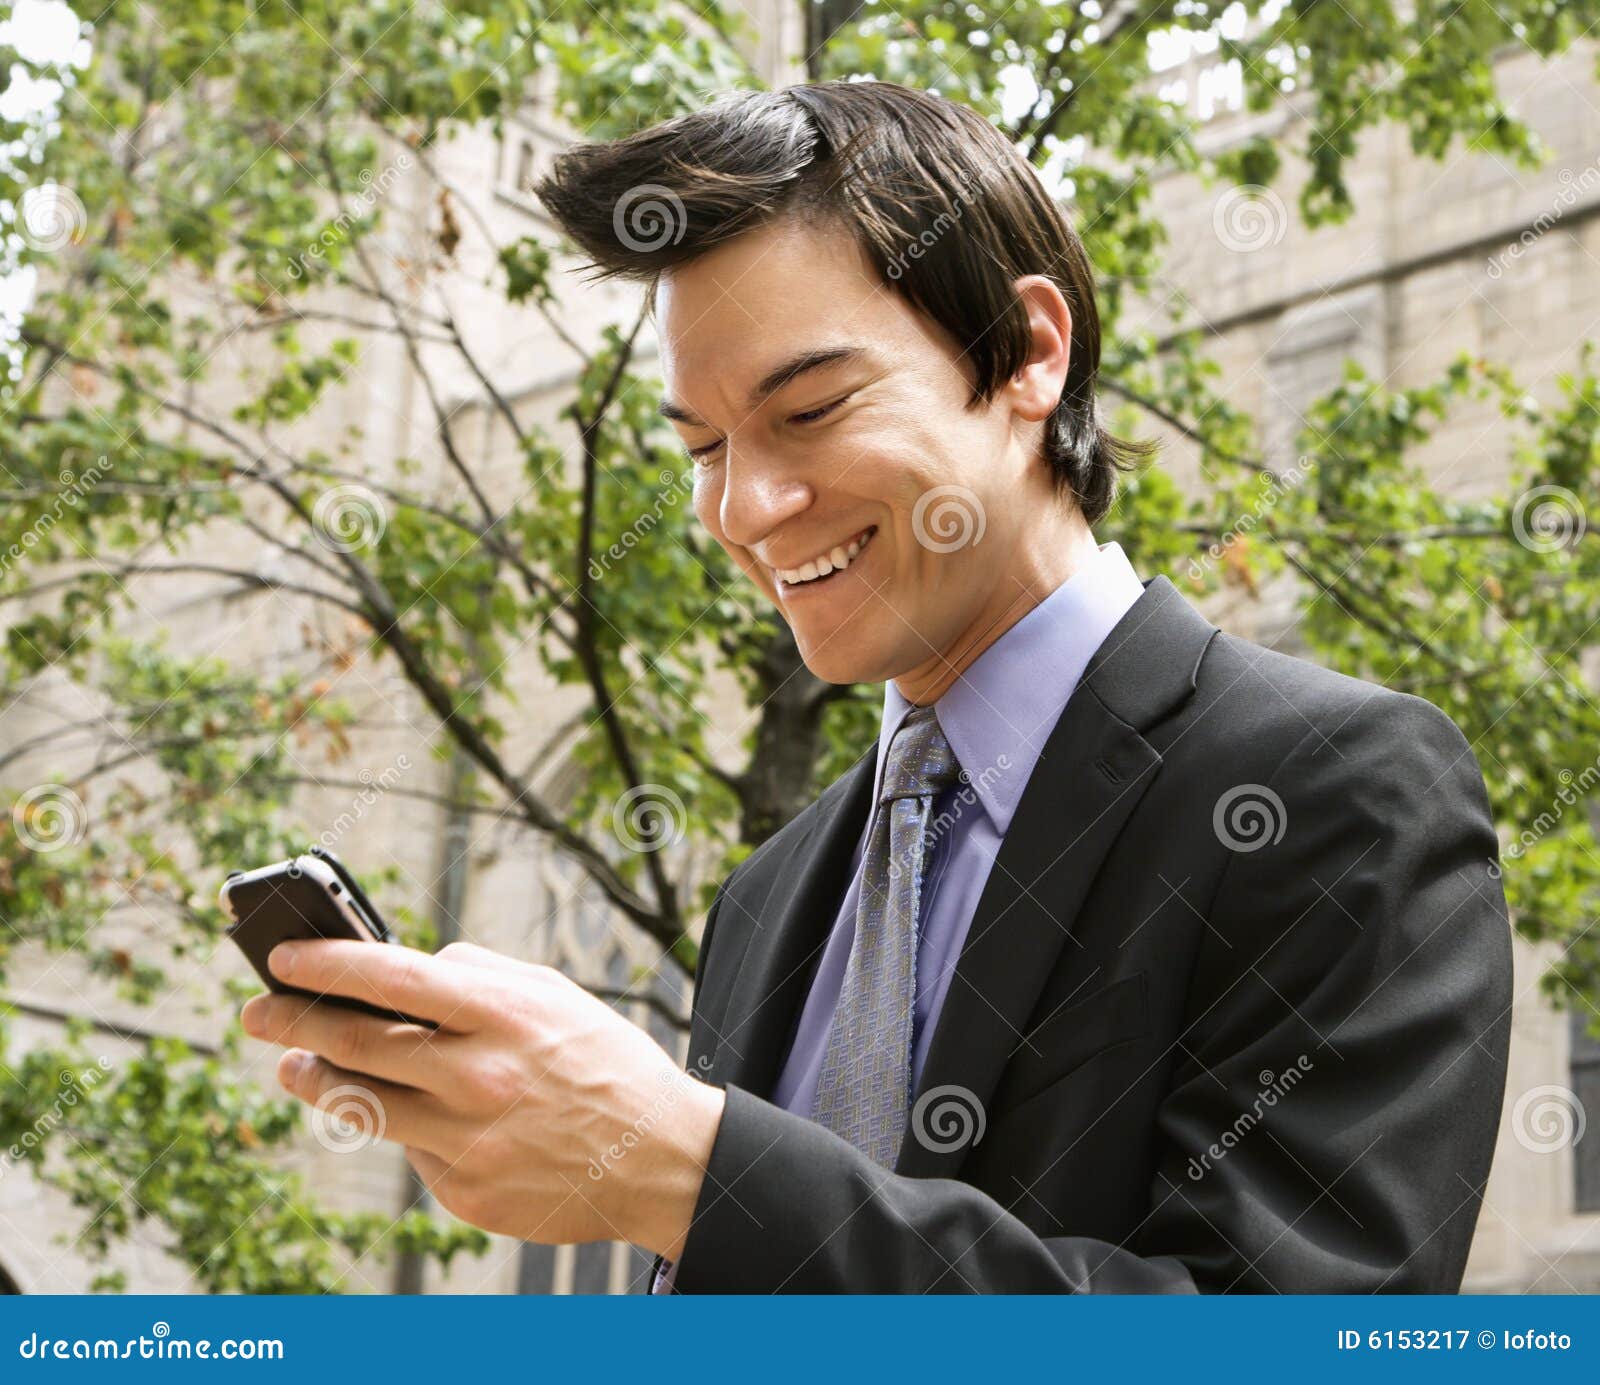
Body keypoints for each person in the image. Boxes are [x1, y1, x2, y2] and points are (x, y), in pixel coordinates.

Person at [241, 81, 1512, 1293]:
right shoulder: (773, 892)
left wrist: (688, 1166)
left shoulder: (1334, 787)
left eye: (810, 409)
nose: (744, 508)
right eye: (701, 447)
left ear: (1027, 351)